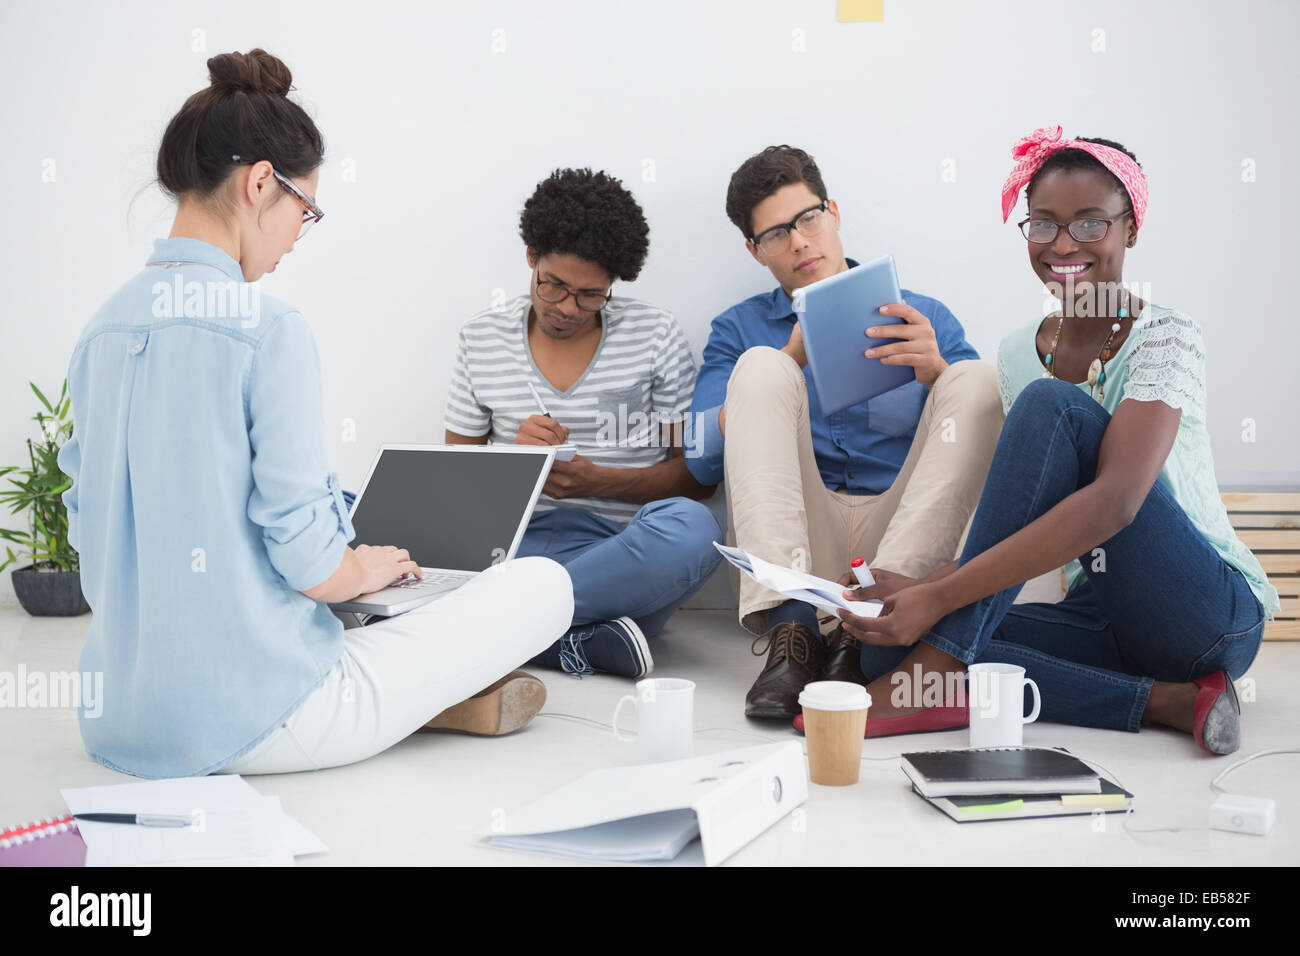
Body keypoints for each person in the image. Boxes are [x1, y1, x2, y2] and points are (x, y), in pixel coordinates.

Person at [57, 50, 574, 779]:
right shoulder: (267, 327)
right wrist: (357, 568)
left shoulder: (99, 331)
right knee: (544, 583)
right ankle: (438, 693)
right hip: (264, 720)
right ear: (261, 182)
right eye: (306, 207)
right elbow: (306, 559)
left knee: (370, 566)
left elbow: (91, 532)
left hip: (116, 724)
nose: (301, 230)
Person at [835, 127, 1279, 754]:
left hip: (1203, 615)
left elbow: (1118, 501)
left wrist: (941, 597)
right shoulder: (1020, 352)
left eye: (1090, 224)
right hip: (1100, 616)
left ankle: (943, 661)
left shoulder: (1166, 336)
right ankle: (1170, 702)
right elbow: (1026, 512)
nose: (1063, 244)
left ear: (1131, 228)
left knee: (1052, 409)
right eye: (1043, 224)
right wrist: (928, 589)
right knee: (891, 657)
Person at [687, 145, 1004, 719]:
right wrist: (790, 358)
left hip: (903, 542)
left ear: (833, 213)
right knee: (759, 365)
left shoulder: (922, 313)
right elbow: (701, 458)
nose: (800, 242)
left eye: (808, 219)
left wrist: (935, 373)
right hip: (799, 548)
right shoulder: (737, 328)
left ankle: (867, 633)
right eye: (776, 233)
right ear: (755, 251)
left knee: (977, 379)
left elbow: (985, 440)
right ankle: (793, 635)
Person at [444, 168, 723, 679]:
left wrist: (603, 483)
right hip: (511, 548)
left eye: (590, 295)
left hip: (615, 553)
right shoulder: (481, 339)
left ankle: (485, 625)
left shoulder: (654, 335)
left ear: (613, 283)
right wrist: (513, 464)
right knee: (354, 510)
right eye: (553, 286)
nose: (568, 308)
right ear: (531, 259)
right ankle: (578, 640)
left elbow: (696, 478)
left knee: (695, 530)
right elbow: (454, 480)